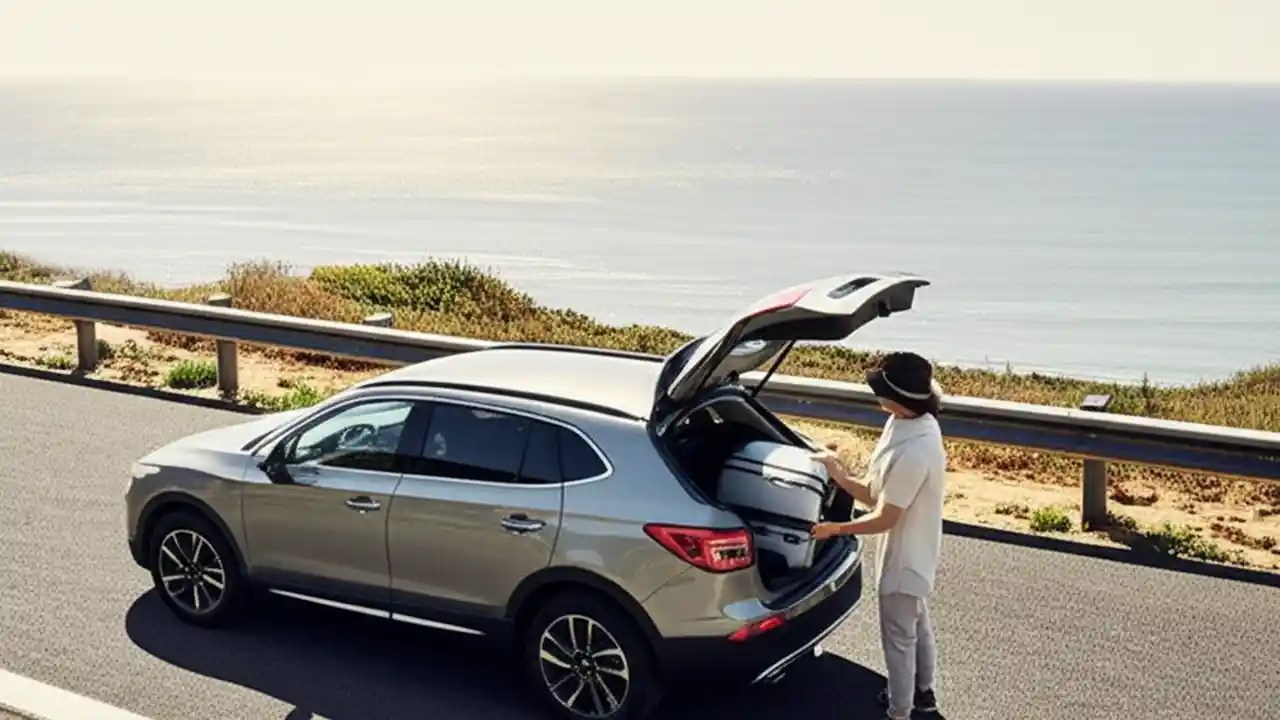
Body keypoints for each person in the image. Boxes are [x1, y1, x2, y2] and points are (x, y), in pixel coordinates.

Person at [810, 351, 947, 720]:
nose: (875, 395)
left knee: (899, 641)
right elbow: (874, 490)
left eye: (881, 389)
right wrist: (838, 472)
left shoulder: (917, 450)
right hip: (914, 555)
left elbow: (884, 515)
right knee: (917, 624)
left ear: (898, 398)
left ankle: (899, 710)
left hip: (906, 562)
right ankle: (924, 694)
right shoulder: (906, 423)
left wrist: (834, 529)